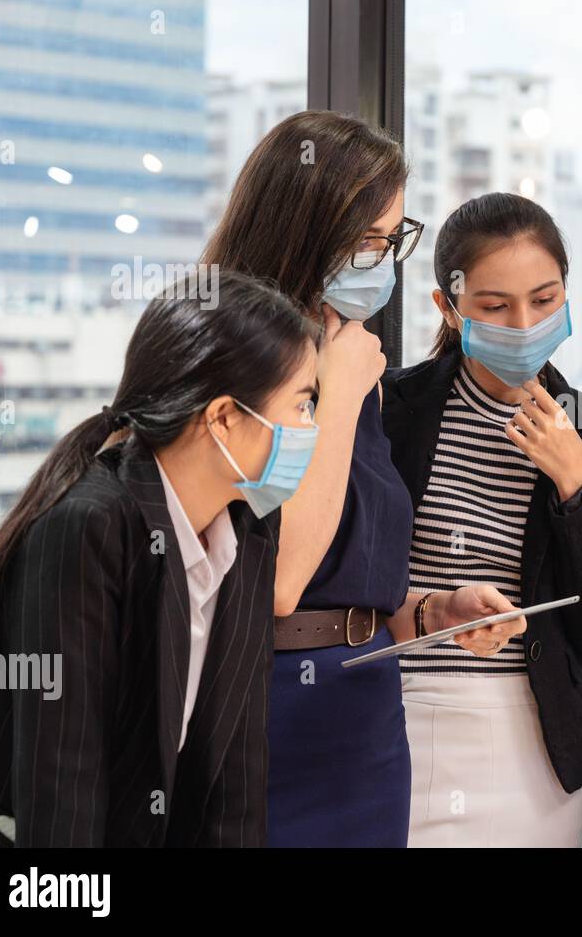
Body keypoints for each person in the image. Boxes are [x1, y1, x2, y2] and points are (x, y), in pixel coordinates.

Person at [202, 111, 518, 848]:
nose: (382, 261)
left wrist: (436, 609)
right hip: (264, 709)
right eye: (368, 240)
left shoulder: (356, 365)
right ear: (303, 229)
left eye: (393, 239)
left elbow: (352, 580)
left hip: (368, 711)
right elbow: (279, 581)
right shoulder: (233, 358)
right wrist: (335, 394)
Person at [0, 272, 320, 847]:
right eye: (303, 406)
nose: (310, 429)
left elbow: (236, 770)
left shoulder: (249, 524)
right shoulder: (90, 528)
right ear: (225, 416)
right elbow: (64, 786)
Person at [383, 192, 582, 846]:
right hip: (390, 720)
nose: (523, 323)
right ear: (448, 306)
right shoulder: (388, 409)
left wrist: (575, 481)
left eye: (545, 299)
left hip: (532, 740)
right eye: (495, 307)